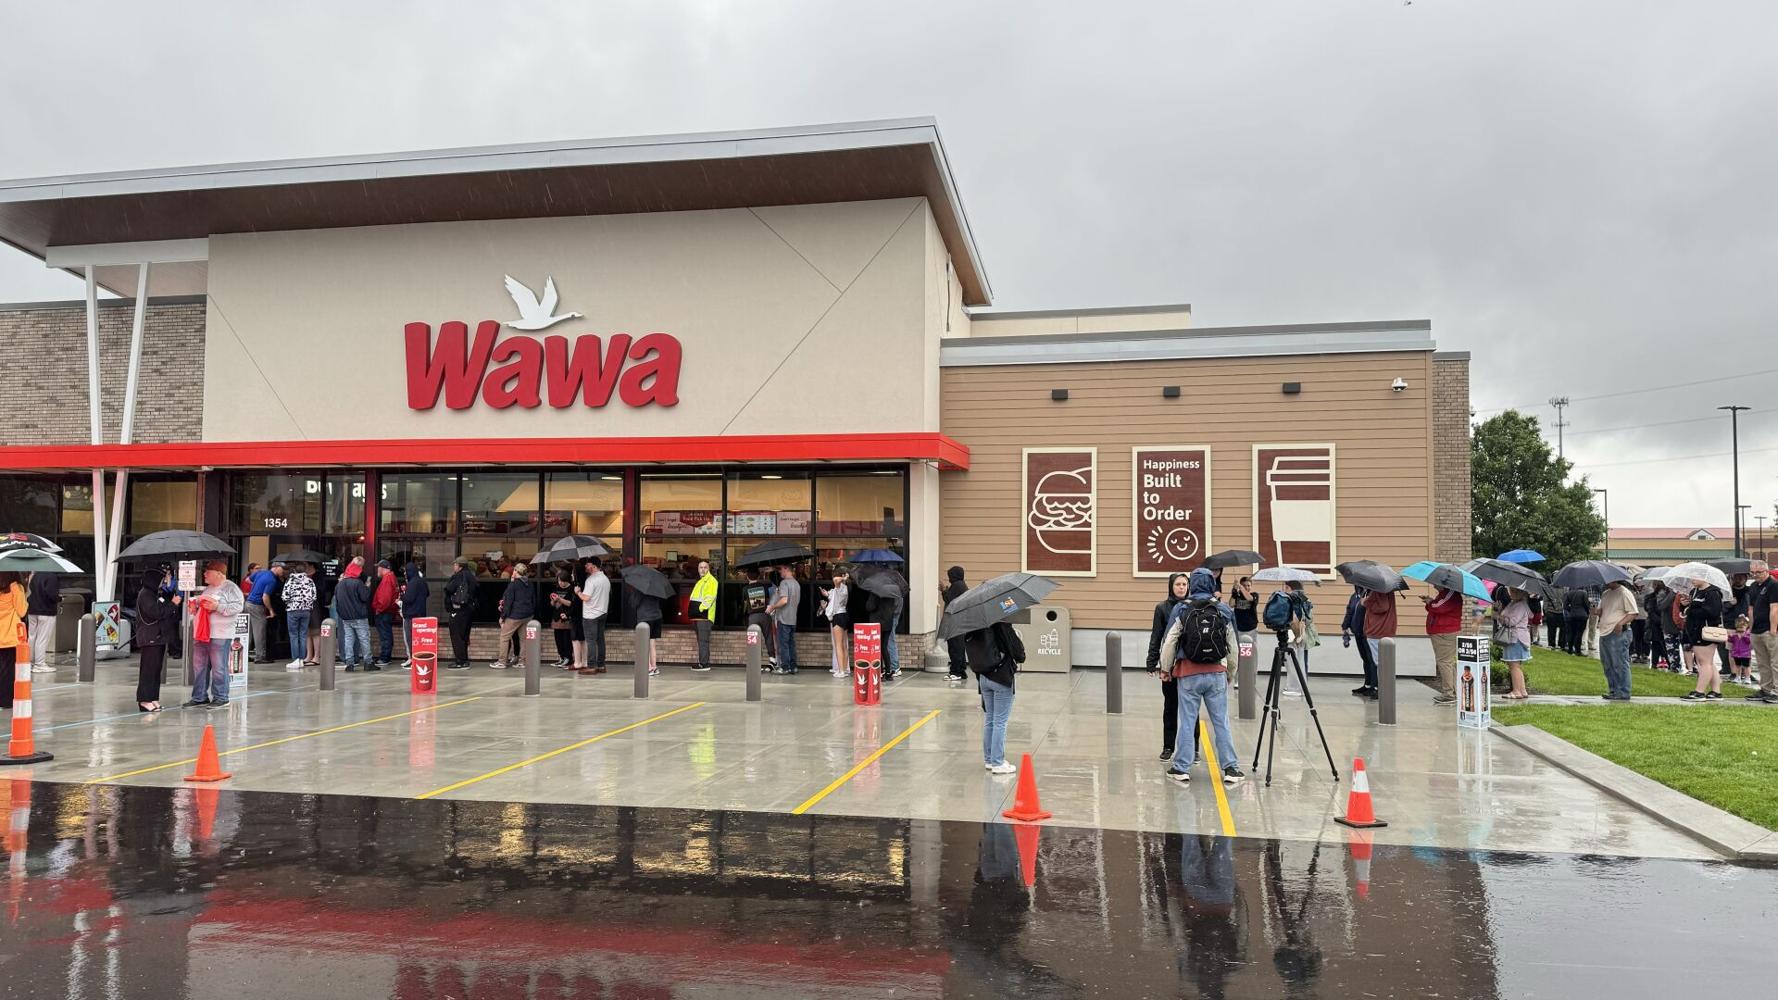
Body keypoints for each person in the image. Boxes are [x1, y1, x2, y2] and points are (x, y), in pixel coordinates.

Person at [1161, 568, 1244, 787]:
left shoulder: (1182, 608)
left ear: (1193, 585)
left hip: (1188, 674)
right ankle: (1231, 768)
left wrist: (1166, 668)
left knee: (1187, 721)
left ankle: (1181, 768)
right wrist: (1230, 672)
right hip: (1216, 673)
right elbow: (1232, 647)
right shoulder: (1223, 610)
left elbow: (1169, 642)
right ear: (1211, 584)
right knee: (1221, 721)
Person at [963, 614, 1025, 775]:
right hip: (1001, 677)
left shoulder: (974, 625)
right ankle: (998, 762)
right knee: (1000, 721)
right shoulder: (1002, 624)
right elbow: (1019, 654)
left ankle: (989, 760)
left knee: (990, 719)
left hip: (984, 677)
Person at [185, 561, 243, 707]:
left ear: (218, 573)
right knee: (199, 666)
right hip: (202, 633)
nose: (204, 574)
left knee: (219, 667)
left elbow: (238, 606)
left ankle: (221, 697)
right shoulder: (209, 588)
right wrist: (195, 607)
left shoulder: (231, 588)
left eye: (207, 571)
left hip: (220, 634)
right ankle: (199, 696)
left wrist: (218, 606)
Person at [1146, 573, 1191, 760]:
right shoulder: (1162, 608)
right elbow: (1156, 636)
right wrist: (1152, 661)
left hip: (1189, 664)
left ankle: (1193, 747)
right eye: (1178, 584)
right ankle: (1168, 746)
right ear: (1171, 586)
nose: (1181, 587)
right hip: (1170, 664)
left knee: (1190, 708)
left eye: (1185, 584)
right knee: (1170, 707)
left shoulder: (1193, 607)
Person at [134, 567, 179, 711]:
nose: (163, 582)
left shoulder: (154, 594)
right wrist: (173, 604)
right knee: (148, 669)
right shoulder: (145, 595)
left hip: (158, 636)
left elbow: (163, 608)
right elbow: (157, 612)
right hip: (149, 637)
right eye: (161, 580)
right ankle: (144, 699)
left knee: (156, 669)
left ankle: (153, 697)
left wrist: (170, 601)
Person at [1680, 577, 1725, 701]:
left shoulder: (1713, 593)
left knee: (1703, 662)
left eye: (1695, 577)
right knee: (1708, 662)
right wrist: (1684, 605)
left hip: (1706, 631)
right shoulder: (1694, 591)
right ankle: (1716, 691)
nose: (1692, 580)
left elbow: (1713, 612)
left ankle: (1699, 691)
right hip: (1694, 630)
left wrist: (1692, 608)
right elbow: (1688, 610)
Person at [1596, 578, 1640, 701]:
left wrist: (1620, 623)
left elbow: (1633, 613)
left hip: (1619, 633)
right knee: (1608, 664)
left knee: (1619, 663)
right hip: (1604, 631)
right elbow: (1602, 611)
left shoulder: (1624, 593)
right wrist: (1596, 610)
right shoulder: (1606, 593)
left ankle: (1623, 691)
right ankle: (1614, 690)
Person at [1423, 585, 1463, 705]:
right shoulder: (1445, 593)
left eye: (1435, 583)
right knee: (1449, 663)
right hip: (1442, 632)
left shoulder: (1450, 593)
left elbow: (1439, 607)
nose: (1434, 585)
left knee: (1444, 663)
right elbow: (1438, 606)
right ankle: (1455, 692)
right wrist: (1431, 601)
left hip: (1444, 633)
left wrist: (1430, 602)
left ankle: (1448, 694)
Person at [491, 563, 535, 670]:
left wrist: (502, 616)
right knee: (524, 639)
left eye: (514, 570)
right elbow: (533, 599)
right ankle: (522, 662)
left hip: (515, 615)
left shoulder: (514, 584)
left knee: (504, 637)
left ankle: (502, 661)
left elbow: (508, 602)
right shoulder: (529, 583)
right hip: (528, 615)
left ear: (516, 571)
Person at [1748, 561, 1778, 704]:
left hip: (1770, 630)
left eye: (1758, 572)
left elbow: (1775, 608)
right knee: (1762, 662)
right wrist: (1750, 628)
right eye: (1752, 573)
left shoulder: (1774, 585)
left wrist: (1773, 629)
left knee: (1775, 662)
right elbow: (1751, 609)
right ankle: (1765, 688)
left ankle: (1777, 690)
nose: (1755, 575)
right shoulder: (1753, 586)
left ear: (1766, 571)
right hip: (1757, 629)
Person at [334, 562, 373, 670]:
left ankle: (349, 663)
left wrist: (341, 614)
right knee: (364, 639)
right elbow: (364, 597)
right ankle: (368, 662)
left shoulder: (340, 584)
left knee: (348, 639)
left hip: (345, 617)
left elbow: (337, 601)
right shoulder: (358, 583)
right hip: (359, 616)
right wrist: (367, 587)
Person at [1342, 587, 1377, 699]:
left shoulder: (1370, 595)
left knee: (1372, 660)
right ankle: (1367, 685)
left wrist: (1366, 602)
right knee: (1365, 659)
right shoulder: (1355, 596)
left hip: (1367, 632)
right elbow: (1350, 611)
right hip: (1357, 632)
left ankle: (1374, 686)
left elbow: (1374, 611)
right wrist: (1345, 626)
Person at [244, 562, 283, 664]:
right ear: (276, 568)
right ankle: (260, 657)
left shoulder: (261, 573)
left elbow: (248, 580)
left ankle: (244, 654)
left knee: (249, 632)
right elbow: (265, 597)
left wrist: (258, 586)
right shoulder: (272, 580)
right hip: (257, 605)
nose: (283, 572)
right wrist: (271, 610)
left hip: (247, 603)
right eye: (282, 569)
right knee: (259, 632)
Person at [281, 562, 317, 670]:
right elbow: (314, 596)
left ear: (295, 571)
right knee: (303, 635)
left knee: (293, 635)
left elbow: (285, 596)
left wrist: (291, 602)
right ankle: (301, 659)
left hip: (293, 610)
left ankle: (296, 659)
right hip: (306, 610)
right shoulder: (310, 581)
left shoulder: (290, 581)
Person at [1498, 587, 1533, 699]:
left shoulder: (1520, 605)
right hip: (1514, 637)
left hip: (1516, 638)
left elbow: (1512, 621)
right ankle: (1522, 690)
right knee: (1515, 666)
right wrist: (1500, 612)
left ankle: (1517, 691)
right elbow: (1504, 617)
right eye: (1510, 591)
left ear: (1519, 593)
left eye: (1512, 591)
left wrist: (1501, 617)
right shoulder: (1514, 603)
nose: (1510, 593)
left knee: (1514, 665)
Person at [577, 559, 610, 675]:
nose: (586, 566)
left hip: (591, 615)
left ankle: (591, 666)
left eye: (588, 564)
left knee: (590, 641)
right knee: (600, 639)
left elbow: (586, 598)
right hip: (602, 612)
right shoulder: (605, 579)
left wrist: (578, 592)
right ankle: (601, 665)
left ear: (594, 566)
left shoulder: (591, 580)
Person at [444, 557, 477, 670]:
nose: (454, 566)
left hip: (458, 609)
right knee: (464, 635)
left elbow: (449, 589)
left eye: (455, 564)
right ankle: (464, 660)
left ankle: (460, 661)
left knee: (456, 635)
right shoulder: (471, 576)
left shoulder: (459, 576)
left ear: (460, 566)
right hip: (469, 609)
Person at [0, 571, 26, 711]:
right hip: (9, 637)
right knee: (8, 670)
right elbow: (21, 611)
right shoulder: (15, 588)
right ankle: (5, 701)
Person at [24, 569, 58, 674]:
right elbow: (51, 594)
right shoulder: (51, 576)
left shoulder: (34, 575)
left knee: (32, 636)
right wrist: (59, 598)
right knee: (42, 637)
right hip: (46, 611)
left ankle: (28, 662)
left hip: (32, 610)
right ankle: (39, 663)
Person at [769, 564, 801, 675]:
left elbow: (784, 600)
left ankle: (785, 667)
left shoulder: (784, 583)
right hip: (793, 618)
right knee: (791, 644)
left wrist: (772, 607)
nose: (779, 571)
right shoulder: (796, 584)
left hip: (783, 618)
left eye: (781, 569)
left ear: (787, 569)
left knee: (783, 644)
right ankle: (793, 666)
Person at [397, 562, 430, 669]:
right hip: (421, 614)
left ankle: (413, 660)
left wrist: (402, 596)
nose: (405, 573)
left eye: (406, 571)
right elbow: (427, 593)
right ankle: (416, 660)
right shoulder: (422, 581)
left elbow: (409, 598)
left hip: (411, 615)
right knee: (419, 641)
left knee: (411, 639)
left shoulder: (412, 583)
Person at [742, 568, 777, 666]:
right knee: (768, 637)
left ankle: (754, 662)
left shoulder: (745, 589)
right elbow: (767, 599)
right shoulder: (764, 587)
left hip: (753, 616)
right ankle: (772, 660)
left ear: (747, 577)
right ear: (758, 576)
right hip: (765, 615)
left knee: (753, 639)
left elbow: (744, 604)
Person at [630, 576, 663, 676]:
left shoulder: (640, 590)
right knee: (652, 644)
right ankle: (654, 667)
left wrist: (633, 594)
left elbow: (633, 604)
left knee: (645, 644)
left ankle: (648, 667)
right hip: (657, 617)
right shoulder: (656, 589)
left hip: (645, 618)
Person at [942, 566, 970, 685]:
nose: (949, 579)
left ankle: (955, 672)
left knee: (955, 647)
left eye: (950, 576)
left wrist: (943, 590)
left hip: (955, 622)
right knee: (959, 647)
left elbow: (949, 599)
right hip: (960, 621)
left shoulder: (958, 585)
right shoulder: (961, 585)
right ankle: (962, 671)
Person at [689, 560, 717, 672]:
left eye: (705, 567)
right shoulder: (701, 581)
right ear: (698, 569)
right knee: (701, 640)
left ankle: (704, 664)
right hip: (698, 616)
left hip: (704, 616)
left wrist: (700, 609)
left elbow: (710, 598)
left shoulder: (711, 581)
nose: (703, 569)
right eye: (701, 567)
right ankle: (702, 662)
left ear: (709, 569)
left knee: (703, 641)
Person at [547, 569, 577, 667]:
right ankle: (561, 657)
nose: (561, 583)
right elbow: (551, 604)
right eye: (559, 581)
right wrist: (553, 601)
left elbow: (571, 603)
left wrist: (560, 599)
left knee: (566, 640)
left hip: (566, 617)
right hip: (556, 617)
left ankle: (568, 658)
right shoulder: (556, 588)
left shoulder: (572, 589)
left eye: (563, 581)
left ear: (567, 580)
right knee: (558, 640)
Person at [370, 561, 398, 665]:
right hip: (387, 612)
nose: (377, 569)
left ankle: (385, 657)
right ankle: (386, 656)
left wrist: (379, 609)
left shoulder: (387, 579)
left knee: (385, 635)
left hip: (384, 612)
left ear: (383, 568)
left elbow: (385, 598)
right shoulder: (391, 577)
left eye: (378, 567)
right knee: (387, 634)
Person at [824, 571, 851, 678]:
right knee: (844, 645)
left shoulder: (840, 586)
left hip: (838, 616)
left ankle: (841, 671)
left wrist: (844, 577)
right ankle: (844, 669)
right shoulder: (843, 588)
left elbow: (836, 580)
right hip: (844, 615)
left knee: (838, 645)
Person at [1561, 586, 1590, 656]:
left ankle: (1570, 649)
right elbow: (1586, 605)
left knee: (1572, 633)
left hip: (1572, 615)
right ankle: (1578, 650)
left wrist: (1571, 609)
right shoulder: (1584, 593)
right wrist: (1587, 612)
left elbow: (1565, 606)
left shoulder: (1569, 593)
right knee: (1579, 633)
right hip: (1582, 615)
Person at [1729, 616, 1754, 687]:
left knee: (1746, 666)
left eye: (1742, 629)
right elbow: (1730, 641)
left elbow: (1749, 641)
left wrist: (1744, 636)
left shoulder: (1748, 634)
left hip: (1745, 654)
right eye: (1738, 629)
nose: (1740, 631)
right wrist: (1730, 637)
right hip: (1736, 653)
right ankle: (1738, 677)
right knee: (1737, 666)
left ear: (1746, 627)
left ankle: (1747, 678)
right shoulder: (1735, 635)